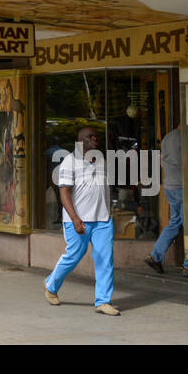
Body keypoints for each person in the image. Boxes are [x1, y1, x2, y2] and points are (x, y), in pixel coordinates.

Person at [44, 127, 120, 315]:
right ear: (80, 142)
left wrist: (109, 213)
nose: (95, 139)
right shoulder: (69, 162)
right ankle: (51, 285)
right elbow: (64, 193)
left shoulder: (101, 159)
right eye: (90, 137)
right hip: (77, 220)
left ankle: (103, 301)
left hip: (102, 220)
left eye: (96, 137)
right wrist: (75, 219)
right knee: (74, 256)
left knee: (105, 260)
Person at [146, 124, 188, 278]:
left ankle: (155, 256)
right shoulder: (187, 138)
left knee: (175, 222)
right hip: (183, 186)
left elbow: (162, 161)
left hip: (169, 185)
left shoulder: (167, 137)